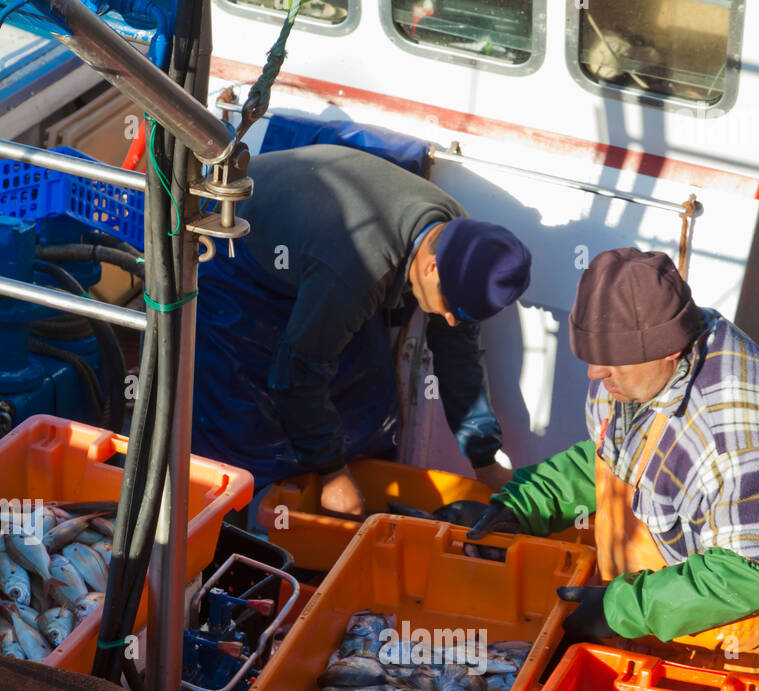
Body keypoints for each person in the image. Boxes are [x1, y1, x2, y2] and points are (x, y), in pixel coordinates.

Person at [467, 247, 759, 691]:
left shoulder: (739, 432)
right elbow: (612, 455)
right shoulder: (638, 369)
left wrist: (618, 608)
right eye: (588, 358)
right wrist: (526, 504)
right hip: (656, 632)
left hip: (745, 666)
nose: (593, 374)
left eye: (607, 365)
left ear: (668, 349)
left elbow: (753, 571)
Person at [191, 144, 531, 518]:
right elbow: (297, 374)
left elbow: (459, 356)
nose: (451, 322)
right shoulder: (358, 269)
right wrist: (333, 474)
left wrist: (484, 458)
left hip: (321, 248)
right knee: (241, 417)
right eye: (452, 310)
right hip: (236, 238)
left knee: (365, 391)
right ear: (432, 269)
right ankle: (237, 518)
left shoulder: (458, 238)